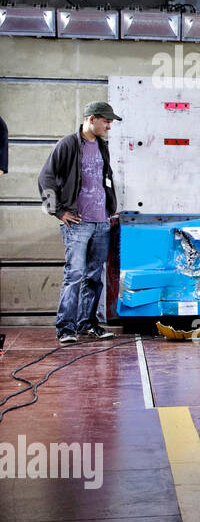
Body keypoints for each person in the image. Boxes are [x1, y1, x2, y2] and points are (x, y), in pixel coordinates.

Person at [37, 102, 123, 343]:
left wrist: (109, 210)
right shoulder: (69, 144)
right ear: (92, 119)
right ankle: (65, 327)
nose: (109, 126)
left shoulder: (102, 146)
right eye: (106, 121)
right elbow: (45, 177)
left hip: (101, 222)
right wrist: (58, 211)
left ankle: (87, 323)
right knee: (74, 274)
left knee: (94, 276)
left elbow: (103, 180)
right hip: (77, 223)